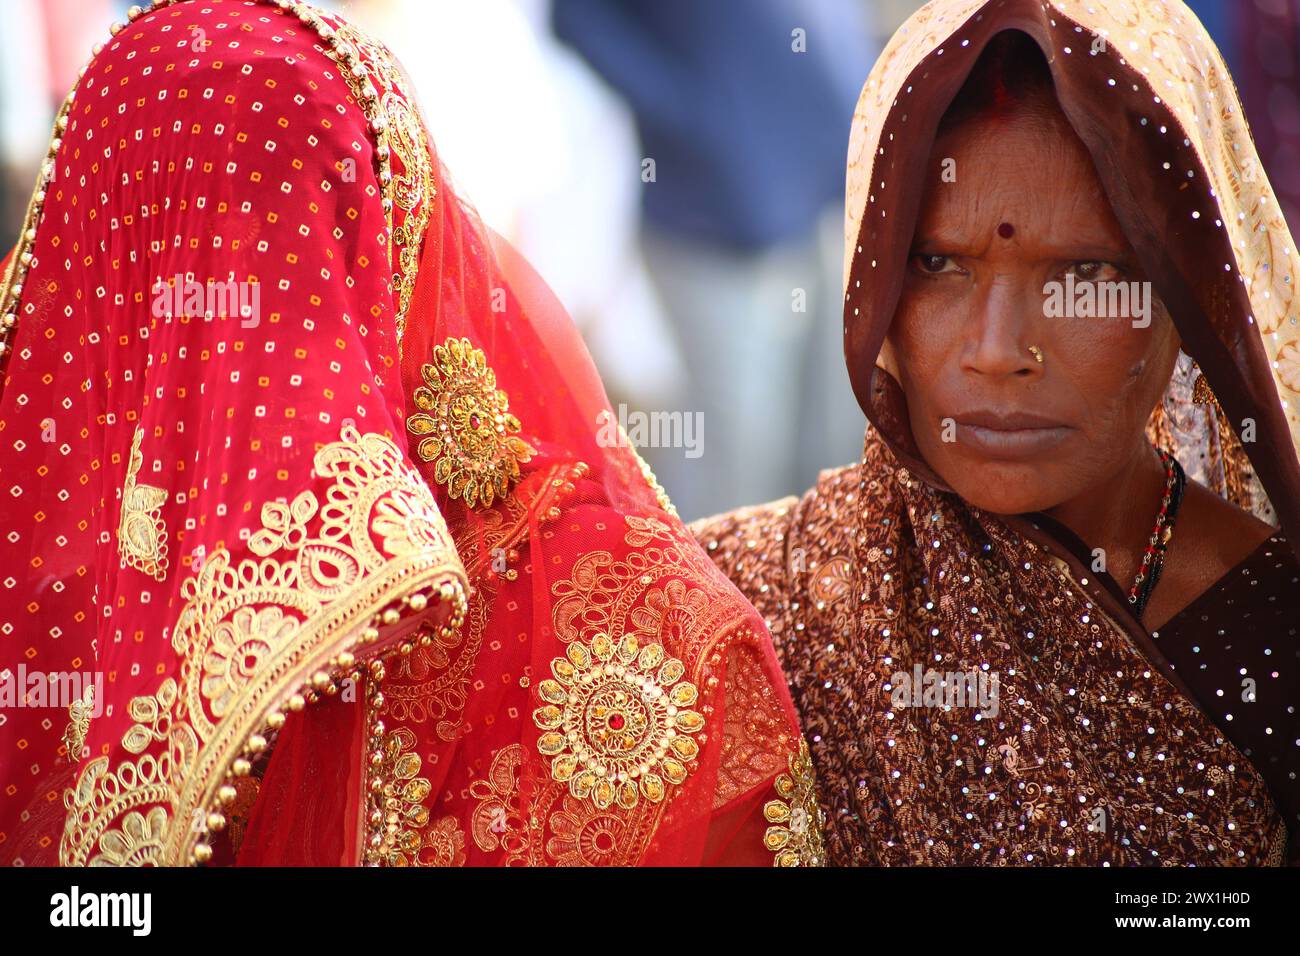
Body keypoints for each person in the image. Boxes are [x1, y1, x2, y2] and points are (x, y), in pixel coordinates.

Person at [0, 0, 819, 867]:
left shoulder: (637, 639)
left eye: (279, 276)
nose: (226, 375)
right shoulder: (651, 625)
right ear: (399, 220)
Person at [694, 0, 1300, 865]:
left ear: (1183, 297)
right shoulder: (744, 605)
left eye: (1085, 273)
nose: (998, 351)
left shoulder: (1269, 630)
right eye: (939, 264)